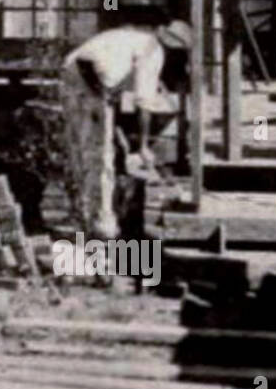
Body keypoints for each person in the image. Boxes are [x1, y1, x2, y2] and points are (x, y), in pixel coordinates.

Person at [60, 20, 192, 239]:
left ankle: (85, 216)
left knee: (83, 151)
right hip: (90, 83)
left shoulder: (133, 37)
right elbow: (144, 102)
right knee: (101, 156)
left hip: (74, 75)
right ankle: (101, 224)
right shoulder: (153, 51)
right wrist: (142, 147)